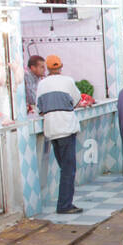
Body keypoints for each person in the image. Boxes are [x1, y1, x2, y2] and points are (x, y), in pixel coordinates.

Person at [36, 55, 82, 215]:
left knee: (64, 168)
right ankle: (64, 205)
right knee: (68, 169)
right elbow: (77, 99)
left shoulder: (41, 84)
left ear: (48, 68)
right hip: (66, 128)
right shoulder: (68, 81)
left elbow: (39, 108)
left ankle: (64, 202)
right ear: (60, 67)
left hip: (51, 130)